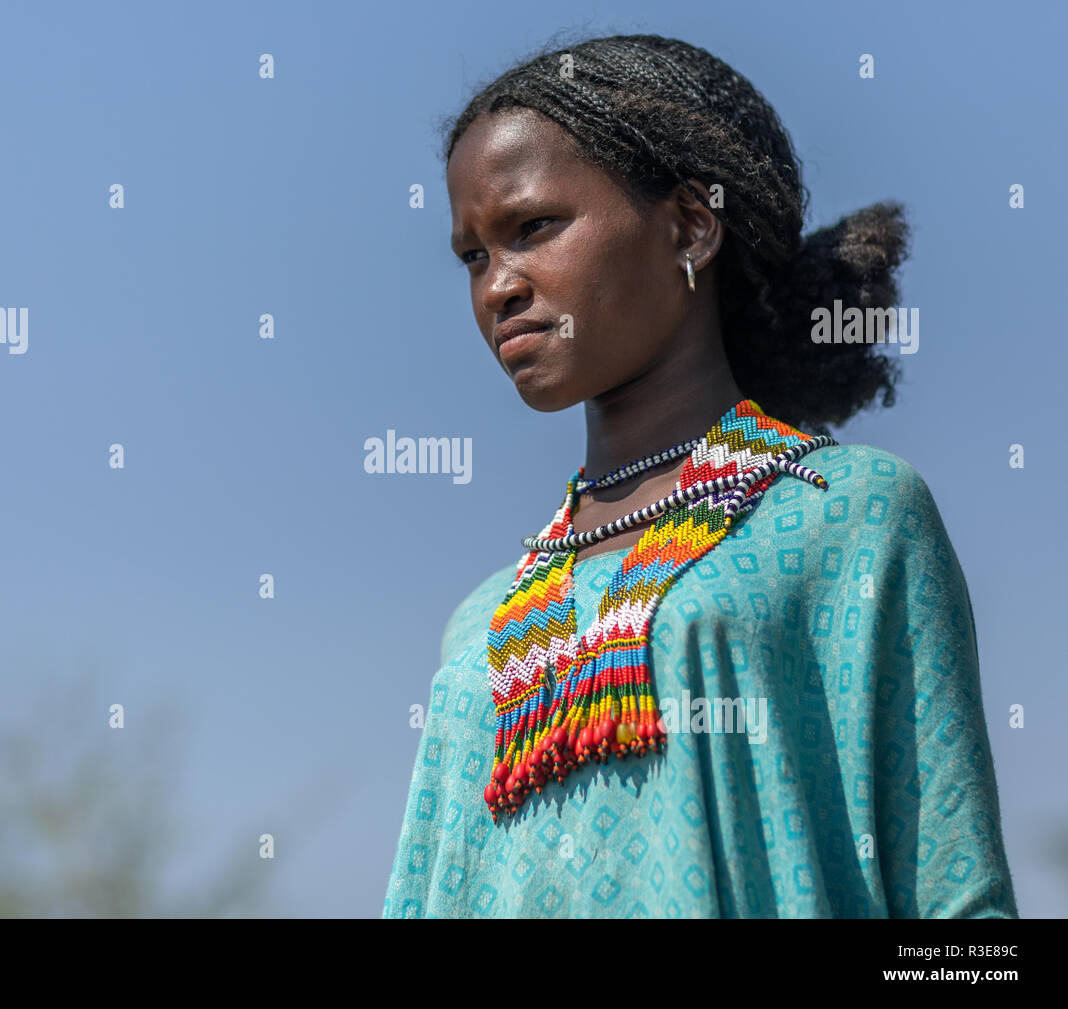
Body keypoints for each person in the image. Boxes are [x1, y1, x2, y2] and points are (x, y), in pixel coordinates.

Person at [381, 34, 1018, 918]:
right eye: (474, 256)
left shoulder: (852, 515)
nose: (498, 286)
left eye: (532, 229)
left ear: (690, 225)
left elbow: (962, 920)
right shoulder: (481, 626)